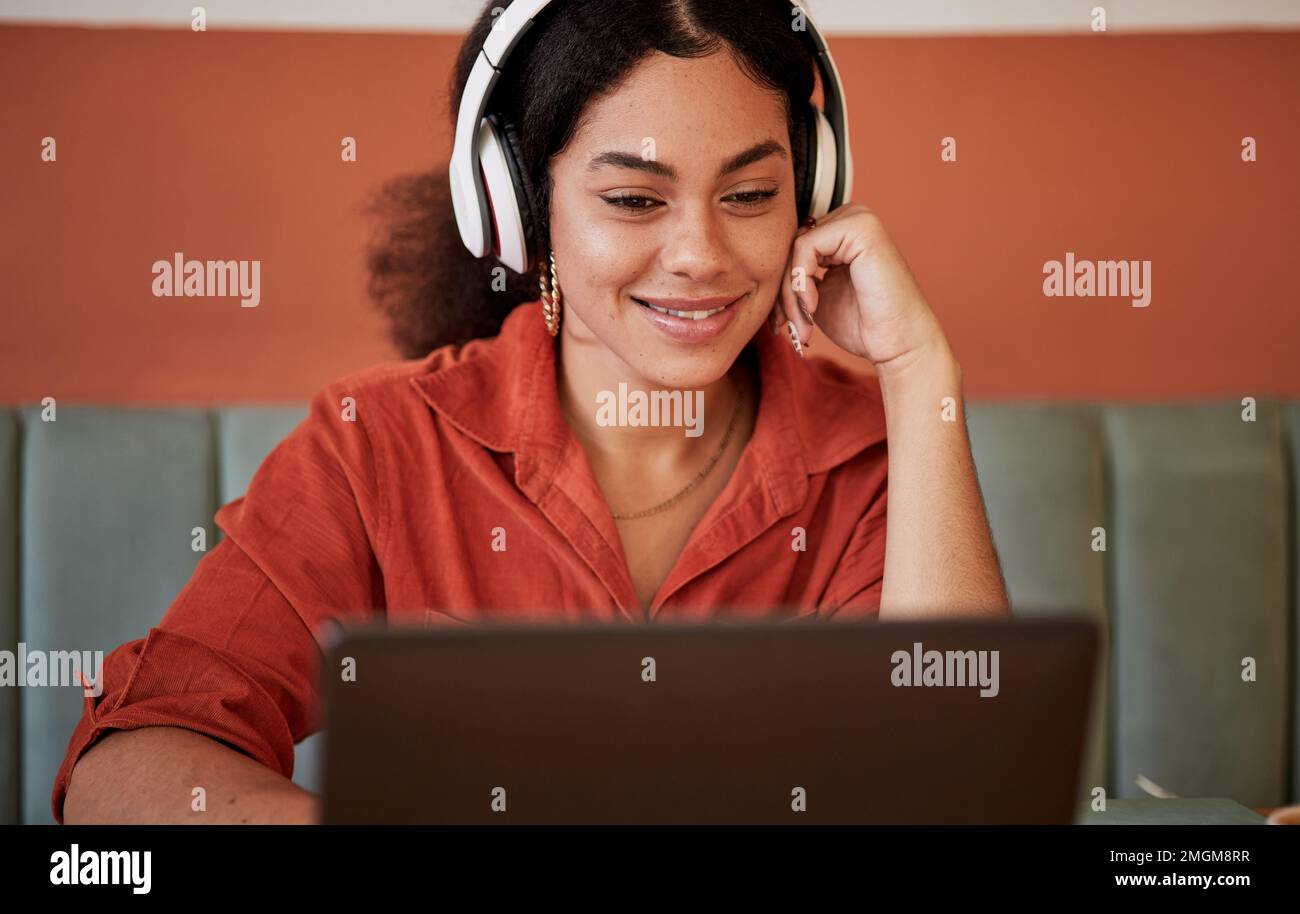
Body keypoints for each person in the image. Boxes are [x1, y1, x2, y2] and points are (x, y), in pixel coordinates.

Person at [58, 0, 1009, 825]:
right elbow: (130, 763)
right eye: (635, 199)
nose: (702, 254)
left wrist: (919, 372)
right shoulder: (376, 447)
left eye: (752, 194)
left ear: (812, 193)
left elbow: (964, 785)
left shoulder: (873, 455)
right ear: (519, 209)